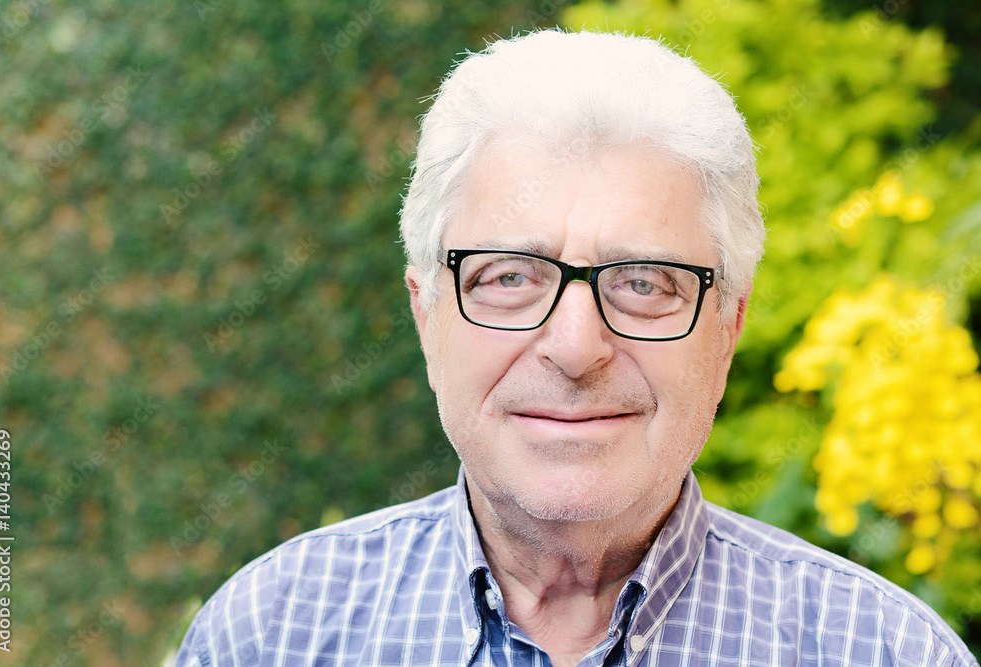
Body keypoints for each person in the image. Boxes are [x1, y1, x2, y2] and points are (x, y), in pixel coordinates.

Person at [174, 29, 978, 666]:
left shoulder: (885, 652)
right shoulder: (268, 638)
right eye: (509, 277)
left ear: (727, 329)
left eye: (644, 282)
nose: (574, 345)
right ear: (427, 315)